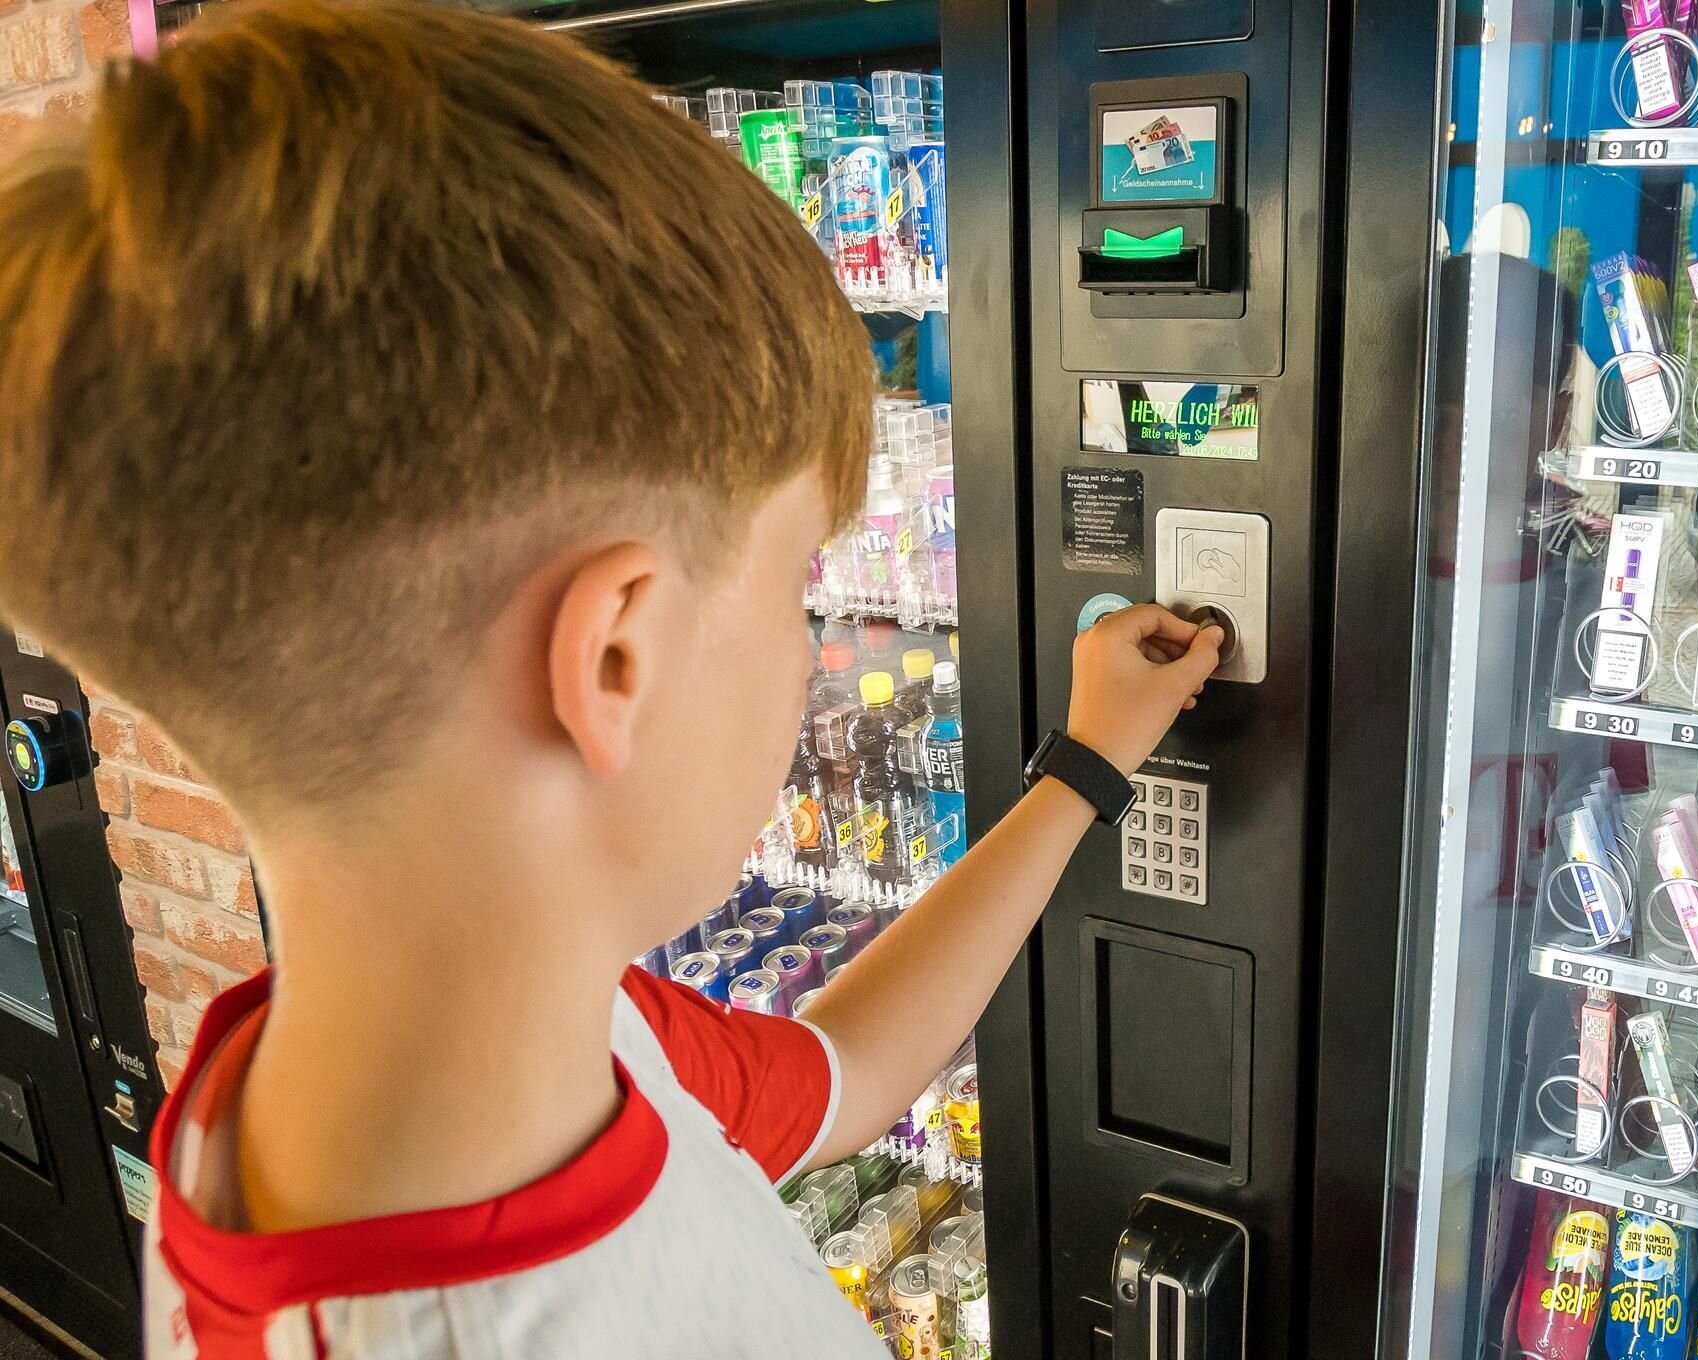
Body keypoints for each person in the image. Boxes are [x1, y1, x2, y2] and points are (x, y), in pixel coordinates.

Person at [0, 1, 1222, 1353]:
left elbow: (843, 1070)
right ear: (616, 656)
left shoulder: (476, 1047)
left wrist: (1084, 771)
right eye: (800, 584)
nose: (818, 645)